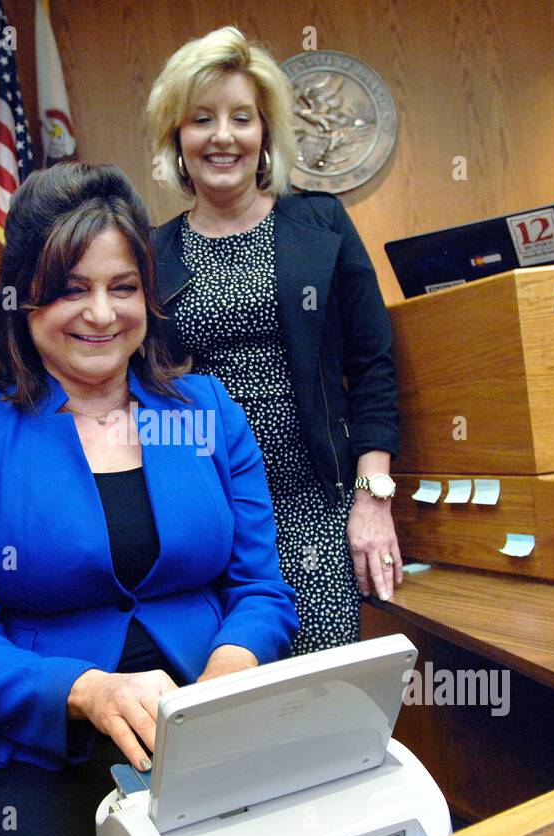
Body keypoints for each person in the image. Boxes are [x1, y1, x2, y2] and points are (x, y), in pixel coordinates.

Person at [0, 162, 297, 836]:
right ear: (22, 298)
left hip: (205, 727)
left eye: (123, 288)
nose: (100, 313)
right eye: (69, 290)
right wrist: (87, 690)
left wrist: (221, 683)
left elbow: (262, 590)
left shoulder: (205, 410)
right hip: (45, 745)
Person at [146, 27, 404, 655]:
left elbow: (373, 367)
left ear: (265, 132)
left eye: (242, 117)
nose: (223, 136)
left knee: (322, 695)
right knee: (231, 696)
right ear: (177, 138)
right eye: (201, 119)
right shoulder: (152, 253)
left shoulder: (320, 224)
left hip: (313, 504)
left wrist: (373, 499)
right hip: (206, 518)